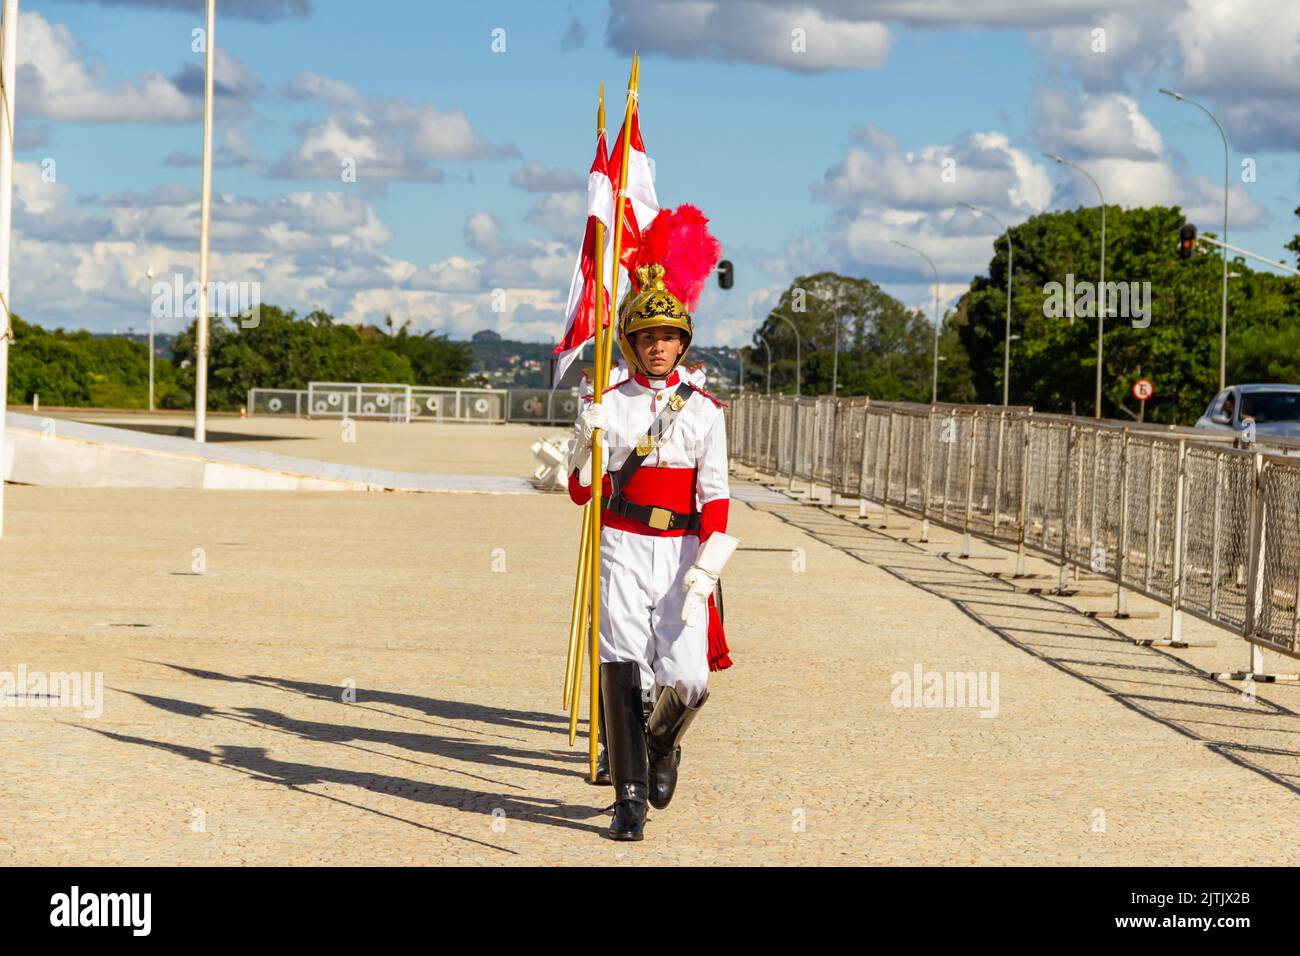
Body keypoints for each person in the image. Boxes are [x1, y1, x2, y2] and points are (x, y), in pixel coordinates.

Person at [566, 227, 737, 840]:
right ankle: (629, 798)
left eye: (668, 336)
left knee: (689, 677)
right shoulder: (609, 402)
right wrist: (583, 440)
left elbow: (715, 494)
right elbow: (582, 492)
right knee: (621, 661)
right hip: (622, 541)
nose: (658, 346)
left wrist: (708, 567)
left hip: (685, 550)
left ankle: (662, 746)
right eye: (647, 337)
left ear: (681, 341)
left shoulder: (704, 410)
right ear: (632, 344)